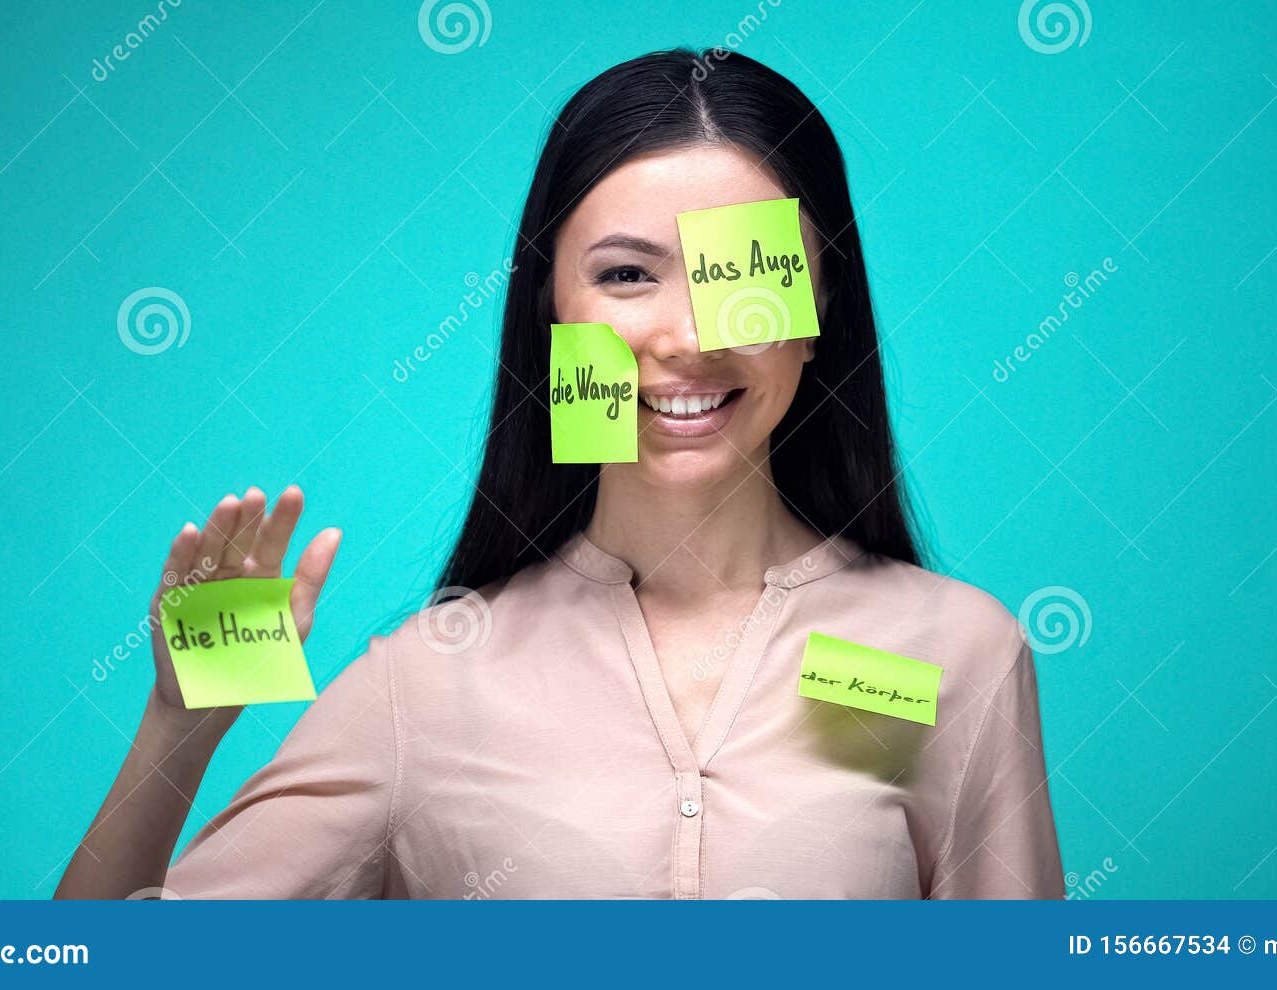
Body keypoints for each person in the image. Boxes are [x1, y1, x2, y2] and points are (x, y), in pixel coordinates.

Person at [56, 48, 1062, 900]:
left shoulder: (945, 656)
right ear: (551, 314)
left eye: (745, 275)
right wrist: (181, 725)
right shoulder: (429, 679)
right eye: (625, 275)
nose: (685, 338)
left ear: (818, 311)